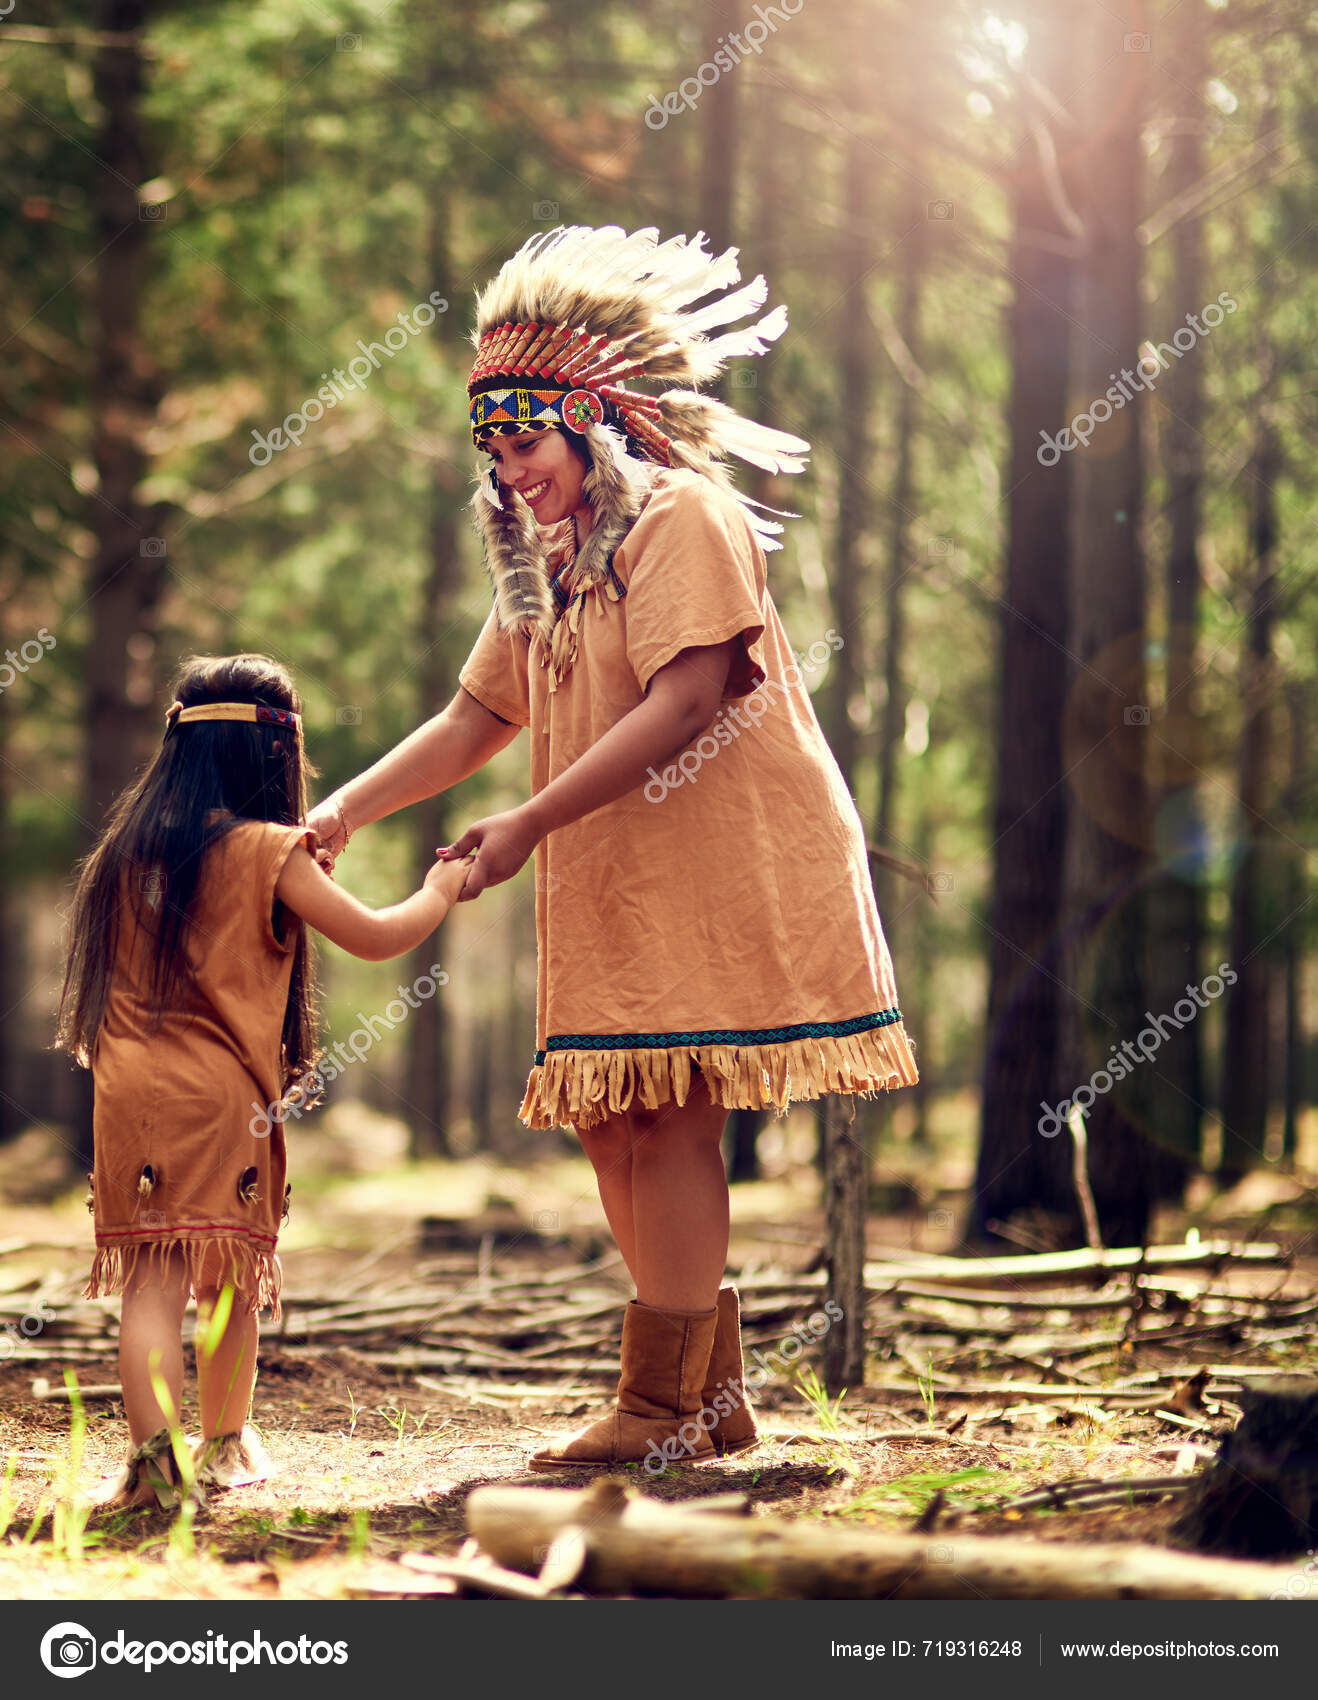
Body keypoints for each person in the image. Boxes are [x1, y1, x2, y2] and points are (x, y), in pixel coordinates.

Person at [309, 225, 919, 1470]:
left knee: (669, 1117)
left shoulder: (679, 518)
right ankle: (710, 1391)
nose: (507, 468)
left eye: (522, 439)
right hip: (612, 871)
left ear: (590, 417)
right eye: (490, 446)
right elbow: (479, 714)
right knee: (612, 1121)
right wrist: (346, 811)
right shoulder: (547, 557)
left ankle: (659, 1406)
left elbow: (687, 701)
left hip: (720, 851)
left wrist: (530, 819)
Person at [56, 654, 473, 1507]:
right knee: (229, 1279)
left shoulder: (124, 855)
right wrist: (441, 889)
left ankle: (150, 1467)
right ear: (275, 759)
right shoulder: (268, 850)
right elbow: (379, 934)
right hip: (218, 1100)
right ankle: (221, 1446)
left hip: (126, 1091)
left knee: (151, 1277)